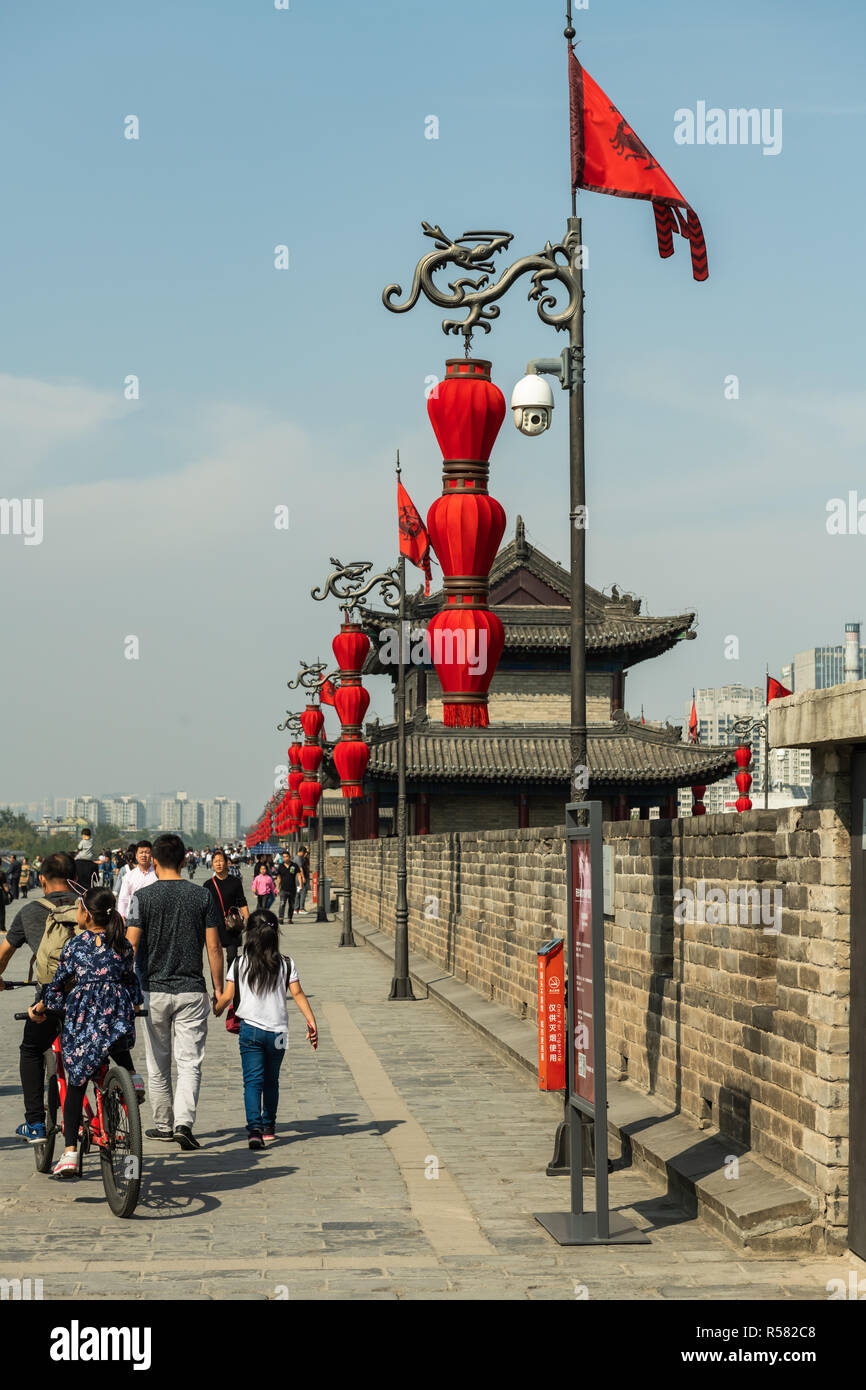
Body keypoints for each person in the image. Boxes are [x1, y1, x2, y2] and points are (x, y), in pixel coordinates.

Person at [30, 885, 144, 1178]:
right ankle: (132, 1077)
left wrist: (45, 1006)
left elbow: (57, 985)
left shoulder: (75, 945)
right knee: (117, 1043)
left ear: (86, 913)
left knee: (77, 1080)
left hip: (85, 1018)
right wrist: (132, 1003)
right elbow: (131, 981)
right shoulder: (122, 943)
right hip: (117, 1016)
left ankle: (69, 1152)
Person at [125, 833, 225, 1149]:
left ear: (153, 860)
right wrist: (219, 988)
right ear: (184, 861)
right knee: (190, 1062)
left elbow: (131, 944)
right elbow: (214, 946)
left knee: (158, 1062)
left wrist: (124, 987)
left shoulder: (143, 897)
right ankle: (184, 1123)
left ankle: (164, 1125)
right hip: (191, 990)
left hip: (152, 990)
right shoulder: (202, 897)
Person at [214, 910, 317, 1149]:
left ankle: (255, 1131)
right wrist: (312, 1022)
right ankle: (270, 1126)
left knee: (252, 1081)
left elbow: (228, 996)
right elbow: (298, 993)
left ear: (249, 935)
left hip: (250, 1030)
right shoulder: (286, 963)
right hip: (279, 1033)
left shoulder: (240, 963)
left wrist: (216, 1006)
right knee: (272, 1080)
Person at [0, 852, 78, 1143]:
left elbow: (3, 955)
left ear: (42, 880)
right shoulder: (91, 905)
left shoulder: (31, 911)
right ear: (75, 879)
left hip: (52, 999)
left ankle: (35, 1123)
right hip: (96, 998)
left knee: (31, 1050)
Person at [204, 848, 248, 974]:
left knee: (232, 957)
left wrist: (249, 920)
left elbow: (242, 902)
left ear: (227, 862)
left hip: (231, 925)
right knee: (215, 959)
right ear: (212, 864)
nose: (218, 864)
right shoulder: (208, 885)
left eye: (221, 861)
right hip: (214, 926)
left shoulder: (235, 882)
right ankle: (217, 992)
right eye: (215, 861)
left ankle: (231, 986)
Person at [116, 840, 157, 921]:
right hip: (133, 917)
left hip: (153, 917)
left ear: (151, 855)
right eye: (141, 852)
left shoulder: (158, 874)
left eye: (147, 852)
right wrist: (122, 915)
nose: (144, 855)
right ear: (136, 856)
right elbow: (123, 899)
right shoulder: (129, 876)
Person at [275, 858, 298, 924]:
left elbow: (298, 874)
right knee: (282, 903)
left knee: (291, 905)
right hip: (283, 889)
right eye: (284, 857)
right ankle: (281, 918)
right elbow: (278, 877)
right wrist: (277, 887)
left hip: (292, 889)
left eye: (286, 856)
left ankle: (290, 919)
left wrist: (300, 885)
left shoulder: (294, 865)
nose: (285, 858)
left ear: (289, 857)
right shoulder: (281, 866)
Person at [294, 847, 309, 913]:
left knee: (298, 893)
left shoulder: (298, 858)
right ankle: (301, 909)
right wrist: (303, 877)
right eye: (305, 853)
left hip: (297, 878)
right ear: (302, 852)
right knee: (303, 892)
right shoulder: (298, 858)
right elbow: (300, 869)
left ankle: (296, 908)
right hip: (299, 878)